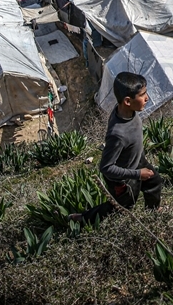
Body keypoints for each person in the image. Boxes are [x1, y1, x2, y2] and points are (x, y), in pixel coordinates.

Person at [69, 73, 162, 225]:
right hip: (122, 178)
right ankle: (84, 218)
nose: (147, 98)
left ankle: (151, 216)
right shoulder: (117, 134)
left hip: (136, 161)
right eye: (143, 95)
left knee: (155, 182)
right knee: (122, 206)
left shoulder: (125, 111)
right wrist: (137, 174)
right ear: (127, 101)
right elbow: (106, 167)